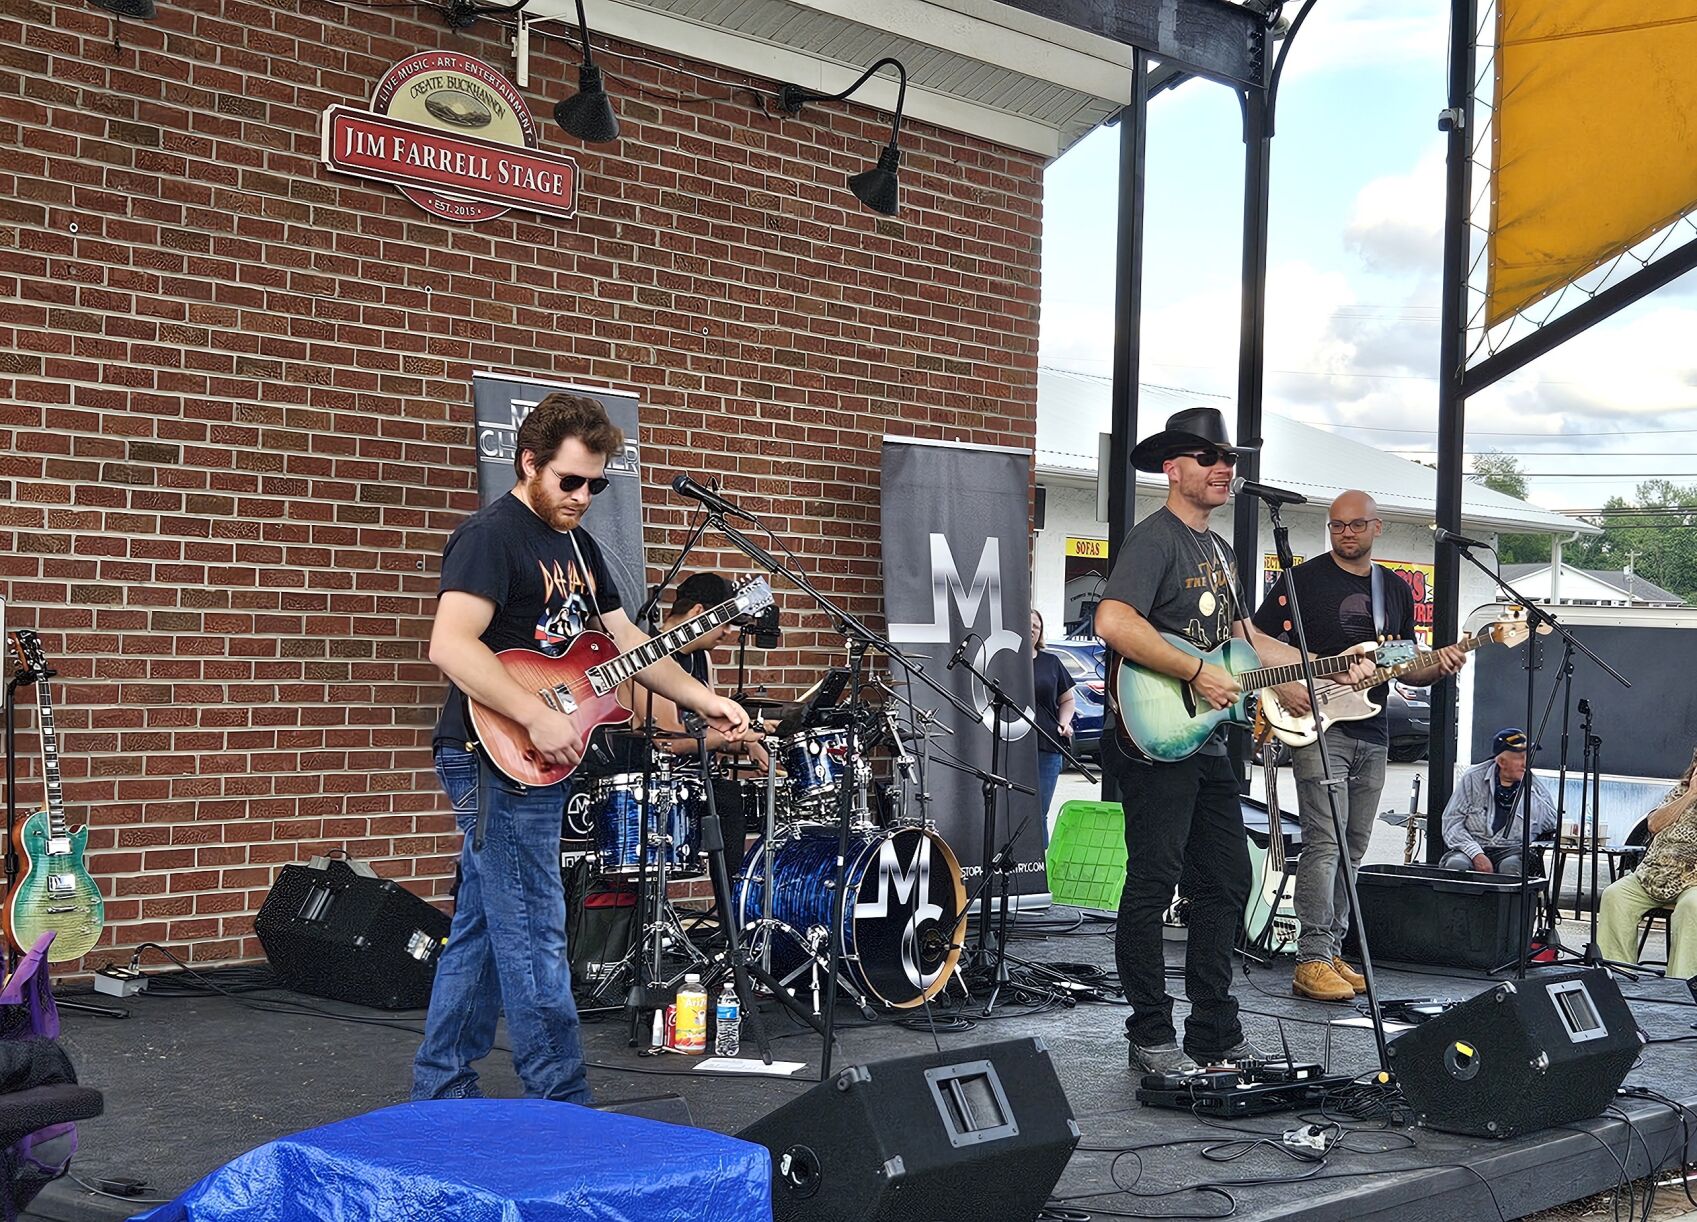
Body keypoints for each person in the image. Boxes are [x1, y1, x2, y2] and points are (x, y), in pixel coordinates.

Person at [413, 392, 748, 1104]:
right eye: (570, 481)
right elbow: (450, 645)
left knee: (483, 930)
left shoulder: (578, 546)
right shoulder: (491, 536)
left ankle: (441, 1091)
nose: (583, 497)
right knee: (535, 925)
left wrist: (700, 697)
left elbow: (627, 643)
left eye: (595, 485)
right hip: (492, 751)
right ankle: (561, 1100)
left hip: (532, 755)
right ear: (529, 463)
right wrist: (533, 716)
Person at [1096, 407, 1374, 1075]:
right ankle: (1149, 1033)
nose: (1223, 467)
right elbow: (1113, 621)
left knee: (1224, 880)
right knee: (1153, 880)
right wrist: (1196, 673)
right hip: (1155, 738)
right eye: (1207, 457)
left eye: (1228, 458)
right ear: (1172, 468)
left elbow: (1243, 640)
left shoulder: (1219, 551)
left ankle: (1213, 1032)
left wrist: (1320, 666)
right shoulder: (1154, 539)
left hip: (1210, 741)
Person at [1251, 491, 1467, 1002]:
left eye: (1355, 525)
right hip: (1319, 725)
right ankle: (1310, 957)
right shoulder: (1303, 580)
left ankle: (1331, 950)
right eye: (1337, 526)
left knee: (1353, 845)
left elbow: (1401, 664)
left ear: (1377, 527)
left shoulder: (1393, 589)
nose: (1345, 533)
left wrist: (1439, 665)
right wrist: (1285, 683)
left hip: (1372, 726)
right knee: (1324, 841)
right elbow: (1252, 637)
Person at [620, 570, 771, 876]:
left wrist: (749, 742)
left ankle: (732, 902)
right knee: (727, 802)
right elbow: (667, 741)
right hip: (661, 785)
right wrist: (740, 737)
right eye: (725, 622)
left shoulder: (702, 658)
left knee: (735, 799)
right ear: (699, 612)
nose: (728, 632)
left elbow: (708, 730)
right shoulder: (650, 653)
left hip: (700, 782)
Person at [1597, 747, 1697, 977]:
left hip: (1693, 879)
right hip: (1654, 873)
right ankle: (1617, 975)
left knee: (1692, 907)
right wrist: (1690, 795)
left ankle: (1680, 983)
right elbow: (1653, 825)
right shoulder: (1680, 792)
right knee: (1615, 896)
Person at [1439, 728, 1557, 876]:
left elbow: (1551, 824)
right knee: (1457, 866)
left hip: (1513, 850)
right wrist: (1476, 854)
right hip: (1473, 847)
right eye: (1520, 757)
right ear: (1501, 761)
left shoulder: (1535, 788)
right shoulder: (1472, 779)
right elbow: (1452, 823)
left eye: (1527, 756)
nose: (1526, 763)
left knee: (1511, 869)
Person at [1031, 609, 1077, 833]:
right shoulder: (1005, 659)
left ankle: (1038, 853)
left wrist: (1064, 722)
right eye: (1027, 624)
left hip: (1047, 743)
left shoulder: (1051, 662)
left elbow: (1067, 699)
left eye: (1036, 626)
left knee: (1039, 809)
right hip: (1011, 744)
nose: (1032, 629)